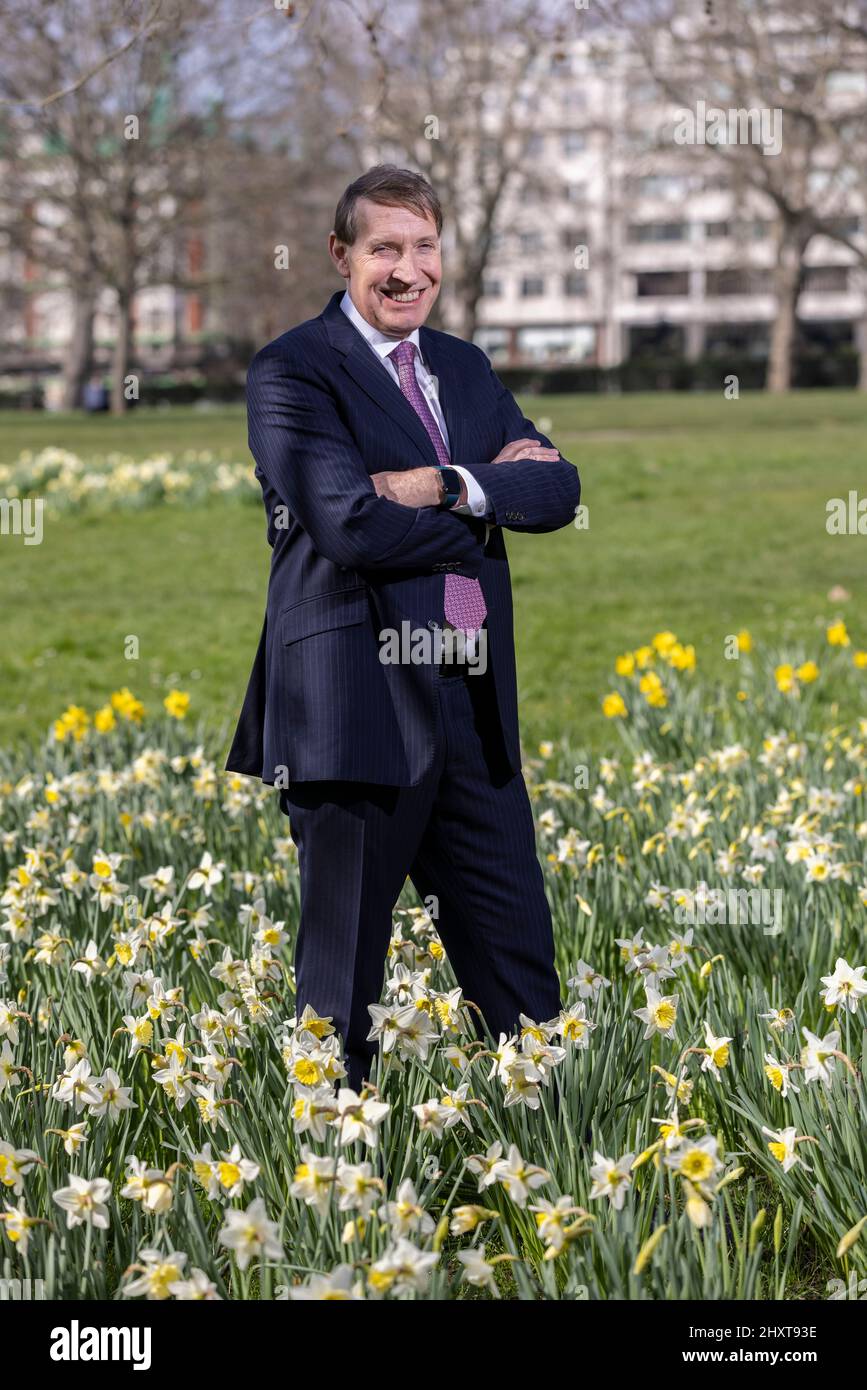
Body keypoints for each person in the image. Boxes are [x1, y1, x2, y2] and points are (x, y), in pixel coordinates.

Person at [226, 164, 581, 1091]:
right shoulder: (292, 371)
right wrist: (492, 491)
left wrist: (443, 482)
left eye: (423, 248)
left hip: (471, 701)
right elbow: (348, 524)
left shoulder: (460, 364)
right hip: (353, 708)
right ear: (341, 254)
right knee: (341, 995)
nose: (406, 270)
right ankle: (332, 1187)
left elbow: (559, 490)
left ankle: (554, 1184)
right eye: (384, 247)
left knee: (523, 987)